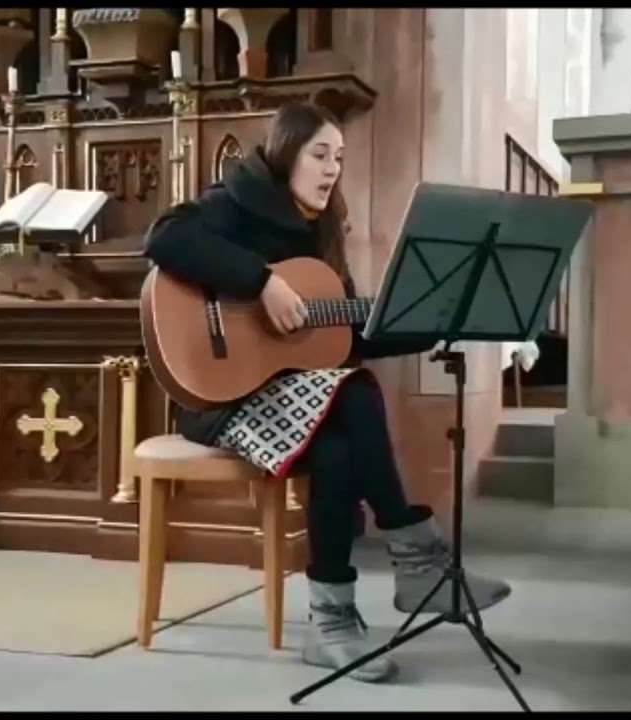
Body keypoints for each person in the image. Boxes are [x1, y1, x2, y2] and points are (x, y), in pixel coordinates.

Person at [144, 103, 511, 683]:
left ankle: (331, 625)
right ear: (287, 152)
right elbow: (166, 237)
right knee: (354, 394)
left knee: (338, 447)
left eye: (338, 157)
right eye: (319, 154)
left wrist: (434, 322)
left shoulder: (322, 231)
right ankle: (416, 558)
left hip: (295, 399)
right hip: (220, 397)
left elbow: (345, 336)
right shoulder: (238, 197)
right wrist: (261, 282)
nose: (331, 168)